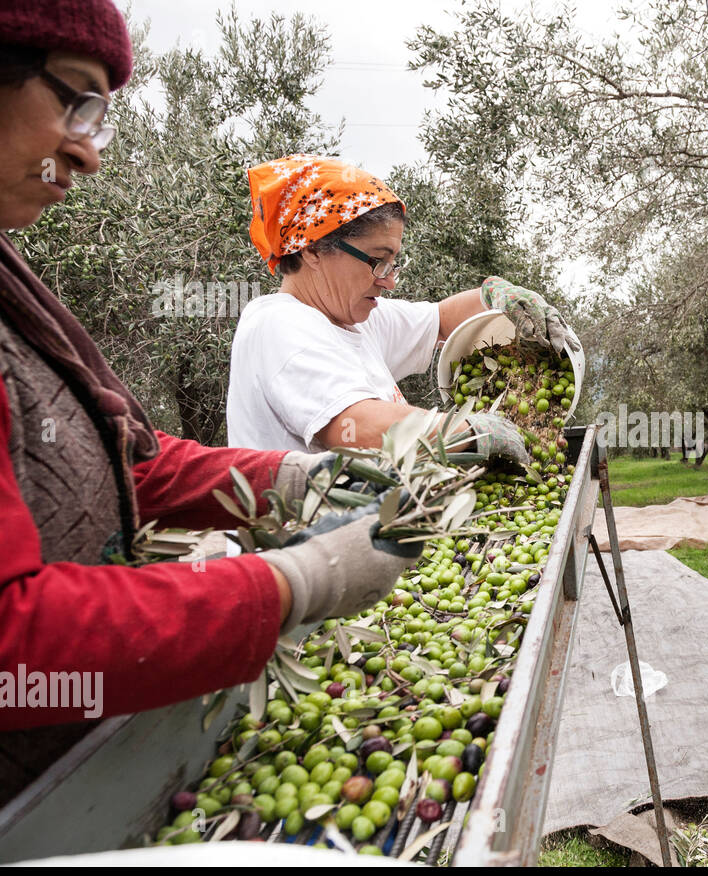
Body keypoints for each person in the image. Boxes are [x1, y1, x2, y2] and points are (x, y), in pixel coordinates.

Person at [0, 0, 421, 803]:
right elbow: (11, 643)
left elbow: (131, 465)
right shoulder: (283, 326)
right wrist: (294, 585)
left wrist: (292, 479)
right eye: (74, 98)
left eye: (102, 116)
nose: (87, 154)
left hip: (76, 760)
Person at [227, 153, 578, 458]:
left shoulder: (356, 320)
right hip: (309, 536)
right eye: (378, 261)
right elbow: (356, 429)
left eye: (393, 263)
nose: (389, 280)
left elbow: (441, 320)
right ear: (314, 251)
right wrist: (472, 431)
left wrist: (496, 294)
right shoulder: (278, 325)